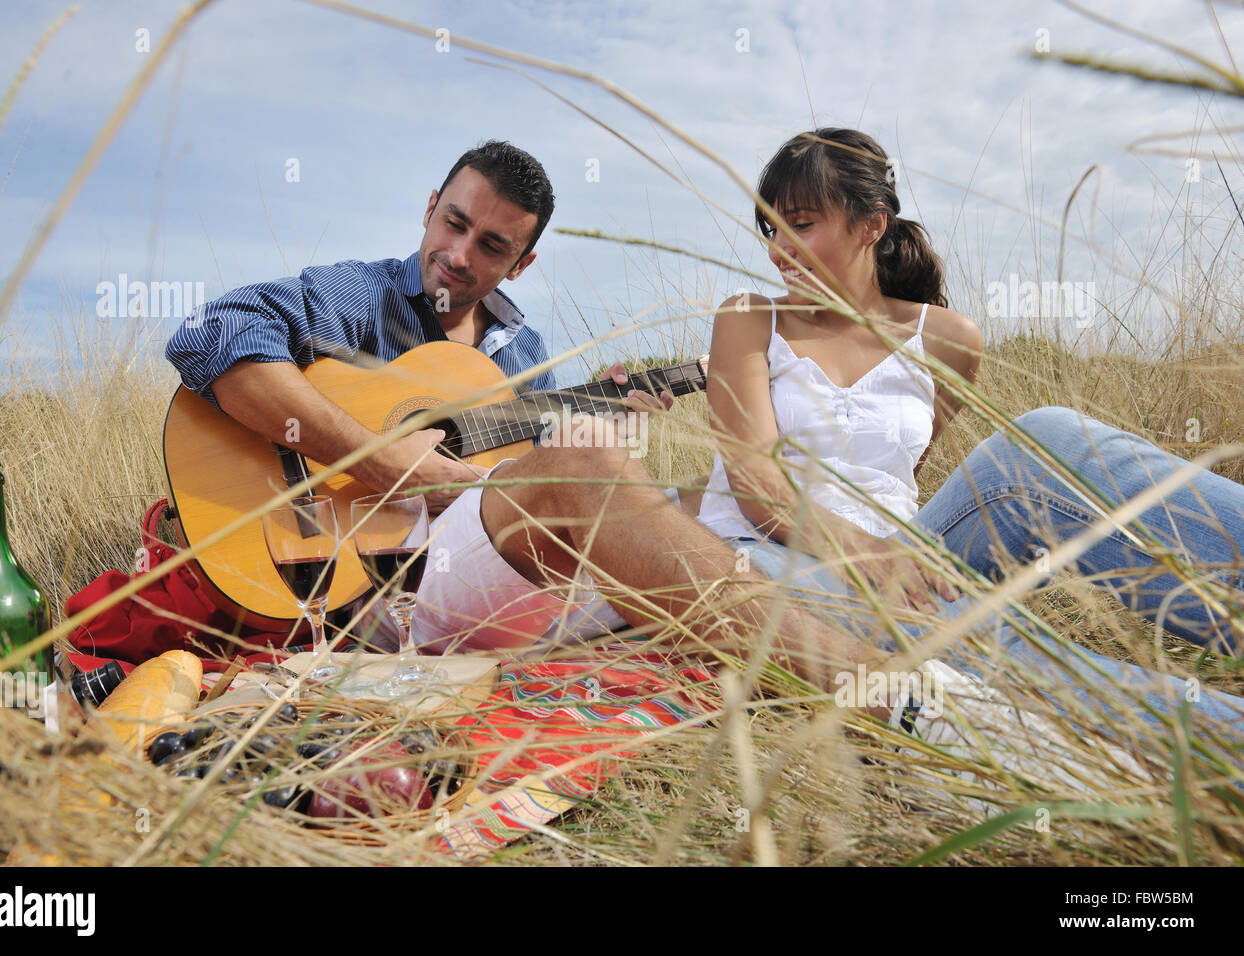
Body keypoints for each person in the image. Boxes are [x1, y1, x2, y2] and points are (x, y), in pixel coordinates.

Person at [165, 139, 888, 700]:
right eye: (454, 223)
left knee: (692, 504)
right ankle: (893, 695)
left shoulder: (526, 356)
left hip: (471, 576)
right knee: (628, 507)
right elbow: (210, 333)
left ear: (523, 263)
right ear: (429, 208)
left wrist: (607, 431)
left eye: (491, 245)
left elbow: (536, 488)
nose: (457, 254)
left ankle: (893, 643)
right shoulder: (358, 296)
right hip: (351, 583)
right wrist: (378, 460)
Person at [697, 127, 1244, 739]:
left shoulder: (949, 338)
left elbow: (905, 471)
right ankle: (1216, 740)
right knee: (961, 630)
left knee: (1048, 435)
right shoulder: (749, 317)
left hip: (905, 548)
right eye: (771, 229)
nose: (778, 248)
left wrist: (898, 553)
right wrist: (870, 556)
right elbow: (755, 481)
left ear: (870, 224)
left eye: (800, 223)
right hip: (770, 557)